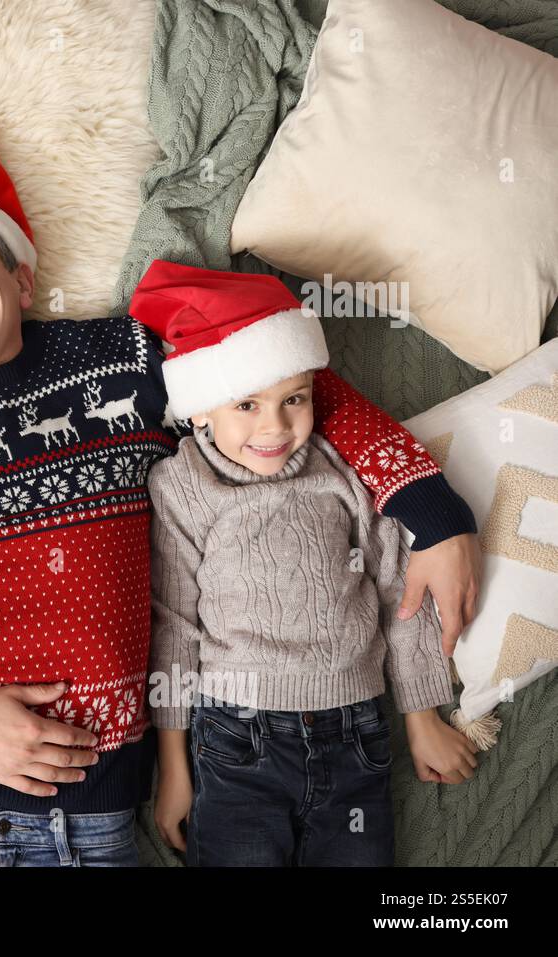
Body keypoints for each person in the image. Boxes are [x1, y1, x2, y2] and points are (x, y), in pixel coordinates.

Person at [0, 30, 481, 867]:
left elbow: (279, 380)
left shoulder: (122, 363)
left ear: (21, 279)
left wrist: (427, 507)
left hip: (94, 834)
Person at [138, 263, 478, 866]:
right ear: (200, 411)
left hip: (356, 735)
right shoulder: (182, 486)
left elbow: (397, 590)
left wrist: (421, 717)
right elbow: (174, 627)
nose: (275, 426)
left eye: (294, 398)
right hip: (237, 739)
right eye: (246, 404)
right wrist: (174, 767)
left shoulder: (341, 474)